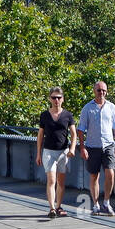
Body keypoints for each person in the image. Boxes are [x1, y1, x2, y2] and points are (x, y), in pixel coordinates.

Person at [76, 80, 115, 215]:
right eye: (99, 90)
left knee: (110, 173)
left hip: (108, 145)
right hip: (92, 146)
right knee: (94, 176)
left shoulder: (111, 107)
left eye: (104, 90)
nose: (101, 93)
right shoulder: (87, 108)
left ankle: (106, 202)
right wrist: (82, 147)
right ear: (94, 91)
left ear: (106, 91)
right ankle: (95, 204)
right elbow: (81, 129)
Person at [35, 87, 77, 217]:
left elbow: (74, 134)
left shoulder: (68, 115)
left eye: (59, 97)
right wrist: (38, 154)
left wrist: (72, 149)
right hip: (48, 151)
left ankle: (59, 206)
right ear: (50, 99)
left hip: (63, 152)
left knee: (61, 181)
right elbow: (40, 135)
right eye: (53, 97)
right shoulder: (45, 115)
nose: (56, 100)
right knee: (51, 180)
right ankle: (52, 208)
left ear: (62, 99)